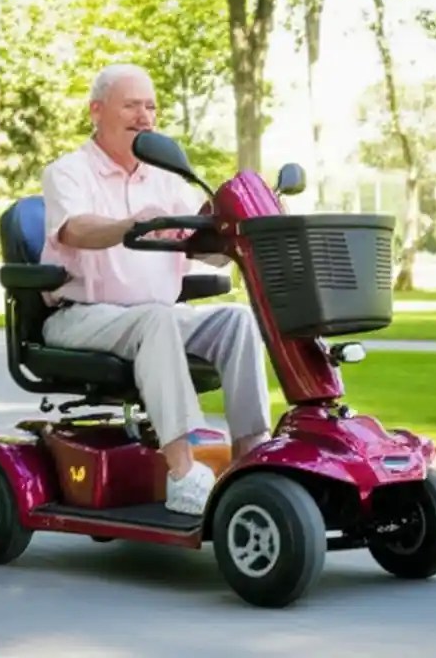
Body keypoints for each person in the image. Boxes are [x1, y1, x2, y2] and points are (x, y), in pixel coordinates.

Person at [38, 63, 272, 516]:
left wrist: (225, 240)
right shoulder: (67, 172)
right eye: (131, 105)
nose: (144, 116)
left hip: (155, 317)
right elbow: (76, 230)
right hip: (83, 316)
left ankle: (250, 460)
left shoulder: (167, 179)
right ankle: (184, 474)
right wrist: (131, 226)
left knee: (237, 319)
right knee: (157, 318)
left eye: (151, 106)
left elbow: (206, 250)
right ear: (96, 110)